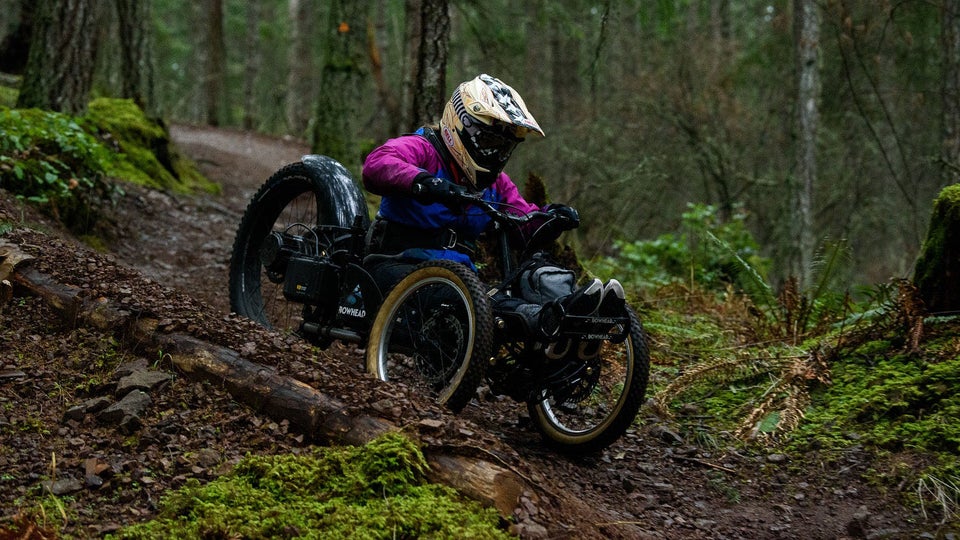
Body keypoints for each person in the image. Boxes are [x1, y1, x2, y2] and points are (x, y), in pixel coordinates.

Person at [361, 74, 623, 356]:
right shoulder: (423, 148)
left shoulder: (495, 183)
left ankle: (571, 315)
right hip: (396, 264)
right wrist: (425, 182)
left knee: (526, 281)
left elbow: (523, 221)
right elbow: (378, 164)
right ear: (461, 124)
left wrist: (551, 219)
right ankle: (546, 322)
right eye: (488, 142)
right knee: (470, 302)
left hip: (460, 280)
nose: (495, 154)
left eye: (502, 148)